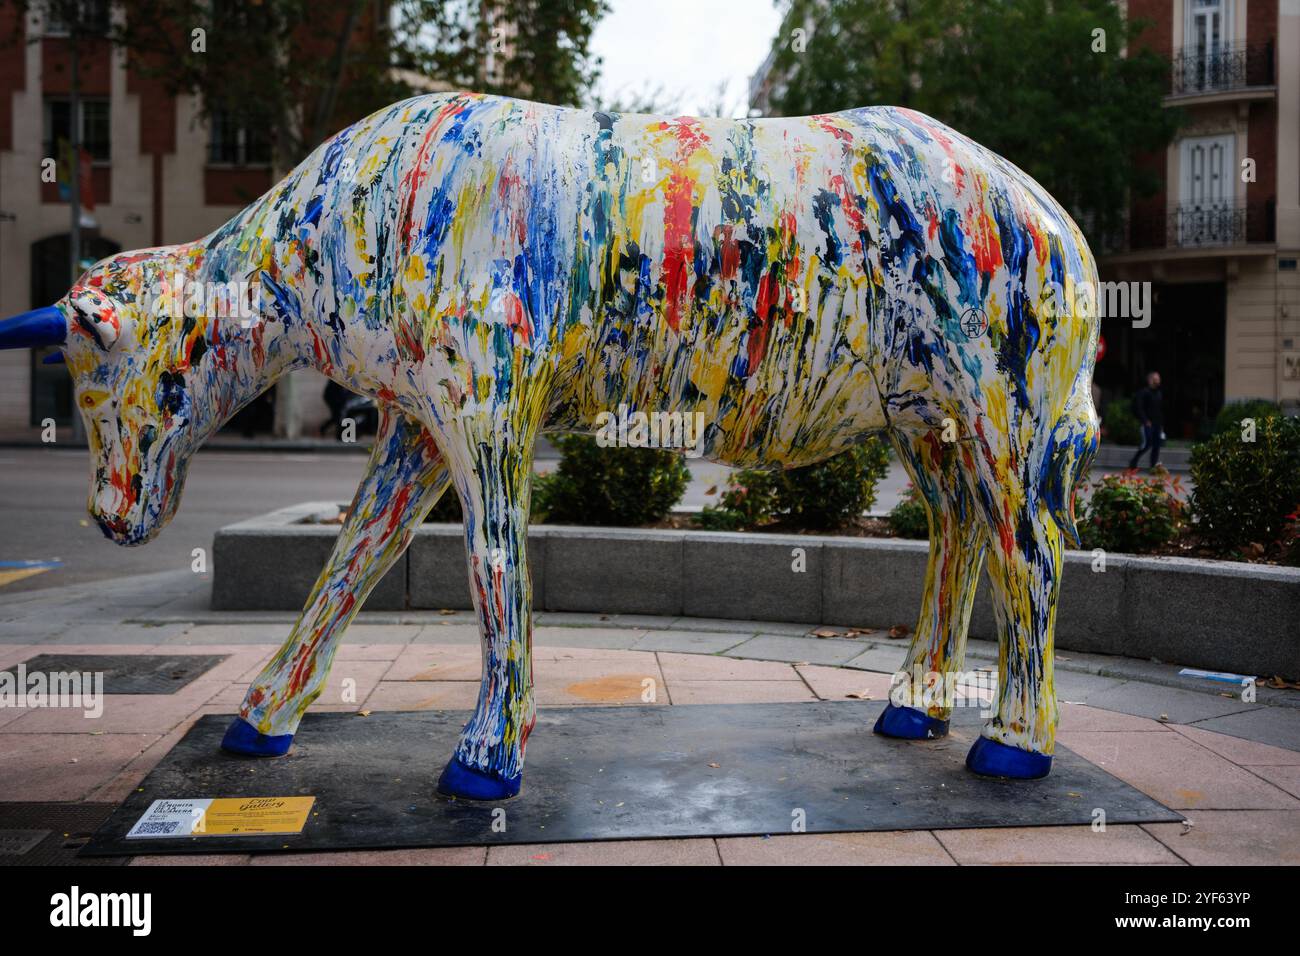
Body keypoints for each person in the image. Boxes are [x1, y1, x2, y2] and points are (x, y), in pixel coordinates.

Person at [1128, 371, 1164, 470]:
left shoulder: (1159, 393)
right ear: (1150, 380)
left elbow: (1159, 410)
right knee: (1147, 444)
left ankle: (1153, 466)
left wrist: (1161, 424)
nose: (1158, 381)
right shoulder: (1143, 393)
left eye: (1158, 379)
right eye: (1156, 379)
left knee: (1156, 445)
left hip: (1157, 424)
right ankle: (1133, 462)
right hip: (1147, 424)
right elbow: (1139, 408)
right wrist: (1145, 420)